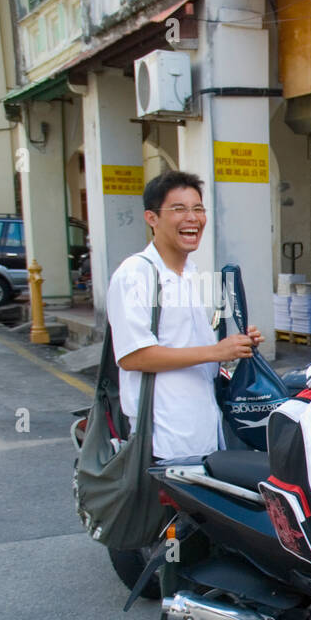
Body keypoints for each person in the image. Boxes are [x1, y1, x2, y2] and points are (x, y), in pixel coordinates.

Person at [107, 170, 260, 461]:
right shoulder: (135, 274)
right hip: (164, 438)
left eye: (198, 209)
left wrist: (235, 347)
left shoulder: (191, 274)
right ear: (151, 218)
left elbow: (191, 348)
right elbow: (132, 356)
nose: (193, 218)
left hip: (202, 430)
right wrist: (214, 351)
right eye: (179, 209)